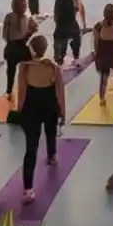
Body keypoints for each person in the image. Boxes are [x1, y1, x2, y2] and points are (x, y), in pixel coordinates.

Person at [14, 35, 66, 203]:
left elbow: (21, 93)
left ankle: (27, 190)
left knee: (31, 148)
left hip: (31, 108)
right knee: (50, 132)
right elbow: (60, 93)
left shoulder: (24, 68)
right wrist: (63, 112)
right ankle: (52, 156)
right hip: (49, 105)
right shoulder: (53, 67)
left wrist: (19, 110)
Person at [3, 0, 39, 99]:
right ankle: (30, 86)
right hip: (22, 45)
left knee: (11, 70)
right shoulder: (27, 17)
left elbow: (5, 34)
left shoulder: (9, 16)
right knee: (30, 65)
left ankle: (9, 90)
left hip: (13, 46)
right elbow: (35, 29)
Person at [53, 0, 86, 67]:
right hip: (64, 26)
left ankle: (75, 60)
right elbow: (55, 13)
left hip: (69, 26)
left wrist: (84, 25)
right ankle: (61, 62)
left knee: (75, 45)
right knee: (61, 51)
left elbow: (81, 10)